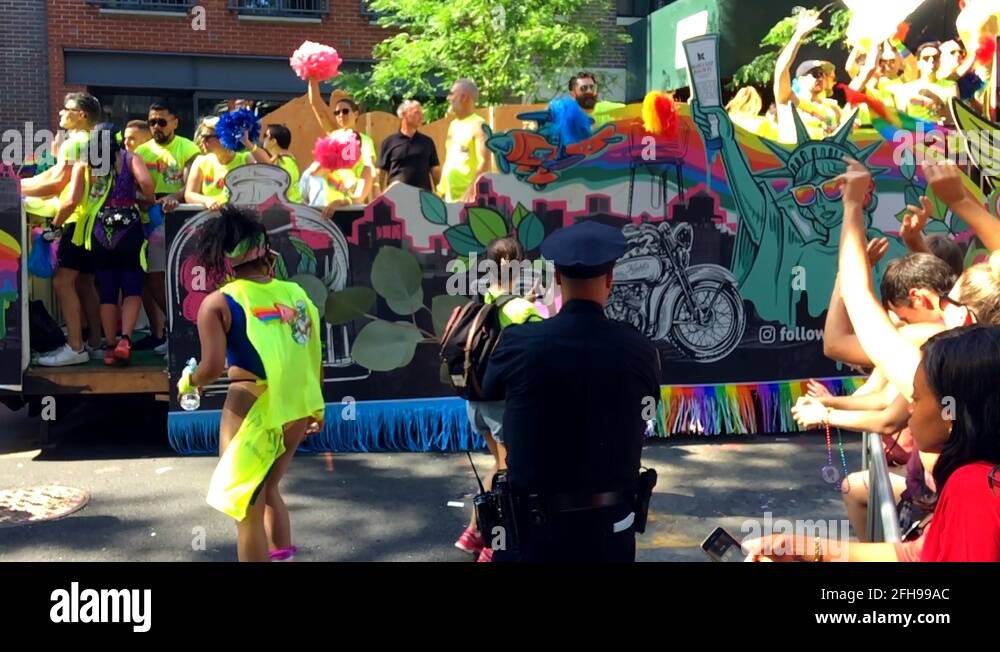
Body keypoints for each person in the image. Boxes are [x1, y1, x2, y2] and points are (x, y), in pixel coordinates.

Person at [481, 220, 660, 562]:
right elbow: (647, 410)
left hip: (533, 536)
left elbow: (489, 389)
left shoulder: (519, 342)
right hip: (610, 535)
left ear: (559, 280)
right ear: (609, 280)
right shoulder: (641, 349)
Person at [745, 326, 1000, 562]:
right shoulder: (974, 481)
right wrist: (803, 547)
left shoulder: (974, 488)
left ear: (950, 412)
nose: (909, 408)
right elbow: (914, 553)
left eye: (917, 398)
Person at [177, 205, 325, 562]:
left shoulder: (218, 302)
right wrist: (317, 407)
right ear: (266, 251)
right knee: (270, 489)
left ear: (224, 259)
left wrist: (188, 382)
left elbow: (211, 367)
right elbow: (313, 356)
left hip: (250, 403)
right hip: (296, 407)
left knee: (246, 506)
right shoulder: (298, 295)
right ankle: (282, 557)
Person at [454, 236, 544, 562]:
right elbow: (548, 345)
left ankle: (474, 530)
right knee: (509, 477)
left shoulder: (483, 299)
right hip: (501, 407)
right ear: (518, 266)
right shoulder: (523, 309)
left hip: (475, 403)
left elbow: (504, 313)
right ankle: (493, 543)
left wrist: (523, 300)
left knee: (499, 466)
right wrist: (530, 305)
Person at [34, 94, 105, 366]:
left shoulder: (76, 142)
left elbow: (56, 183)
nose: (61, 112)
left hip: (78, 221)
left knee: (62, 282)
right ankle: (95, 342)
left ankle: (75, 347)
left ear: (83, 116)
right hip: (95, 222)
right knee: (85, 282)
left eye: (68, 109)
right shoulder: (93, 141)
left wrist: (15, 187)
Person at [86, 123, 156, 366]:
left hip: (99, 231)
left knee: (107, 289)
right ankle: (126, 338)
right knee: (132, 286)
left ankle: (110, 344)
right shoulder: (129, 158)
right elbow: (147, 184)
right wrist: (145, 198)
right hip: (128, 228)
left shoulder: (92, 163)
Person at [135, 103, 202, 354]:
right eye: (152, 122)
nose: (156, 127)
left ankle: (181, 327)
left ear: (175, 122)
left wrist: (173, 197)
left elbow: (191, 185)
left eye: (161, 122)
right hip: (147, 216)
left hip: (178, 215)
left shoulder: (188, 148)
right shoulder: (141, 151)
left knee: (176, 276)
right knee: (149, 278)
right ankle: (166, 330)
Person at [773, 10, 843, 141]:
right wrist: (800, 34)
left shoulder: (832, 109)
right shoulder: (787, 99)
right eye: (815, 74)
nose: (821, 78)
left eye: (823, 74)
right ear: (800, 79)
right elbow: (781, 68)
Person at [438, 79, 489, 203]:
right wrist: (440, 191)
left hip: (470, 199)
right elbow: (450, 161)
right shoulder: (453, 125)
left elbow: (485, 162)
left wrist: (472, 189)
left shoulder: (479, 125)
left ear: (464, 97)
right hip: (450, 198)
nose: (448, 98)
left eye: (452, 93)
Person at [185, 117, 252, 210]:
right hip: (211, 219)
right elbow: (189, 194)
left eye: (207, 138)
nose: (202, 141)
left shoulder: (246, 159)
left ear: (223, 138)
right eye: (202, 137)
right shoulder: (200, 161)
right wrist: (207, 200)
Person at [376, 100, 441, 194]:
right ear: (403, 114)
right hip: (397, 198)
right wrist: (380, 196)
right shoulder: (389, 142)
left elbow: (435, 171)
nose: (421, 117)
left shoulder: (427, 142)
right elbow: (380, 173)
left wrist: (440, 194)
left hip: (423, 199)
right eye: (417, 113)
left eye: (421, 113)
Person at [243, 123, 302, 204]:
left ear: (274, 141)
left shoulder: (285, 161)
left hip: (292, 211)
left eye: (265, 135)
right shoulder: (283, 159)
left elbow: (279, 184)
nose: (263, 139)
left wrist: (248, 143)